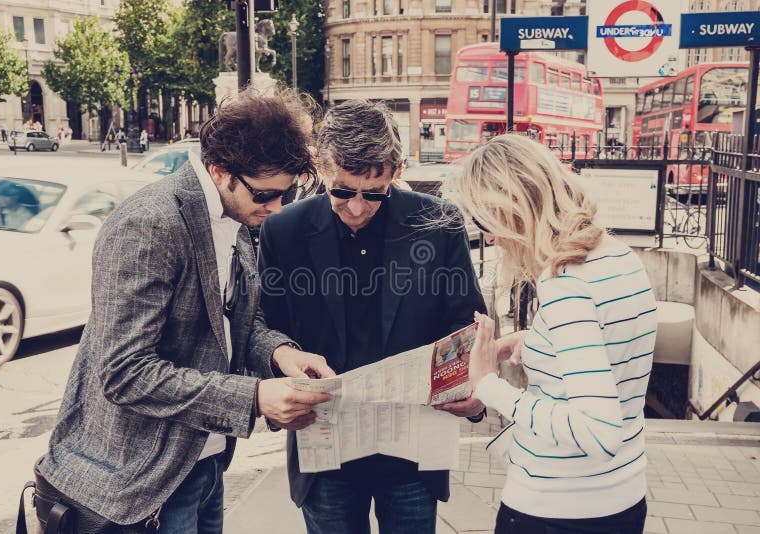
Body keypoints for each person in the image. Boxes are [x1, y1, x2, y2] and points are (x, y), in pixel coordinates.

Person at [34, 89, 335, 532]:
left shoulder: (239, 216)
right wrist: (253, 398)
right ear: (219, 170)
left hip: (205, 464)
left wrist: (280, 354)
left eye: (286, 195)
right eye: (266, 195)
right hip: (140, 483)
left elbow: (236, 323)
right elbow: (124, 372)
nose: (276, 210)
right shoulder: (150, 224)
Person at [259, 99, 487, 534]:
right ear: (322, 166)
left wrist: (476, 394)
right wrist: (278, 390)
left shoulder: (439, 222)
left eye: (374, 193)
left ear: (397, 169)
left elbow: (467, 322)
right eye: (342, 191)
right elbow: (267, 329)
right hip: (324, 452)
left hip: (413, 452)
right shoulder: (282, 230)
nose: (358, 207)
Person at [457, 134, 657, 533]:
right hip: (624, 500)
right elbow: (610, 352)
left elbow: (597, 433)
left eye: (485, 221)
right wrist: (533, 342)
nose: (491, 237)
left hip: (556, 510)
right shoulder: (618, 256)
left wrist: (488, 386)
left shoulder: (565, 281)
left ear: (512, 209)